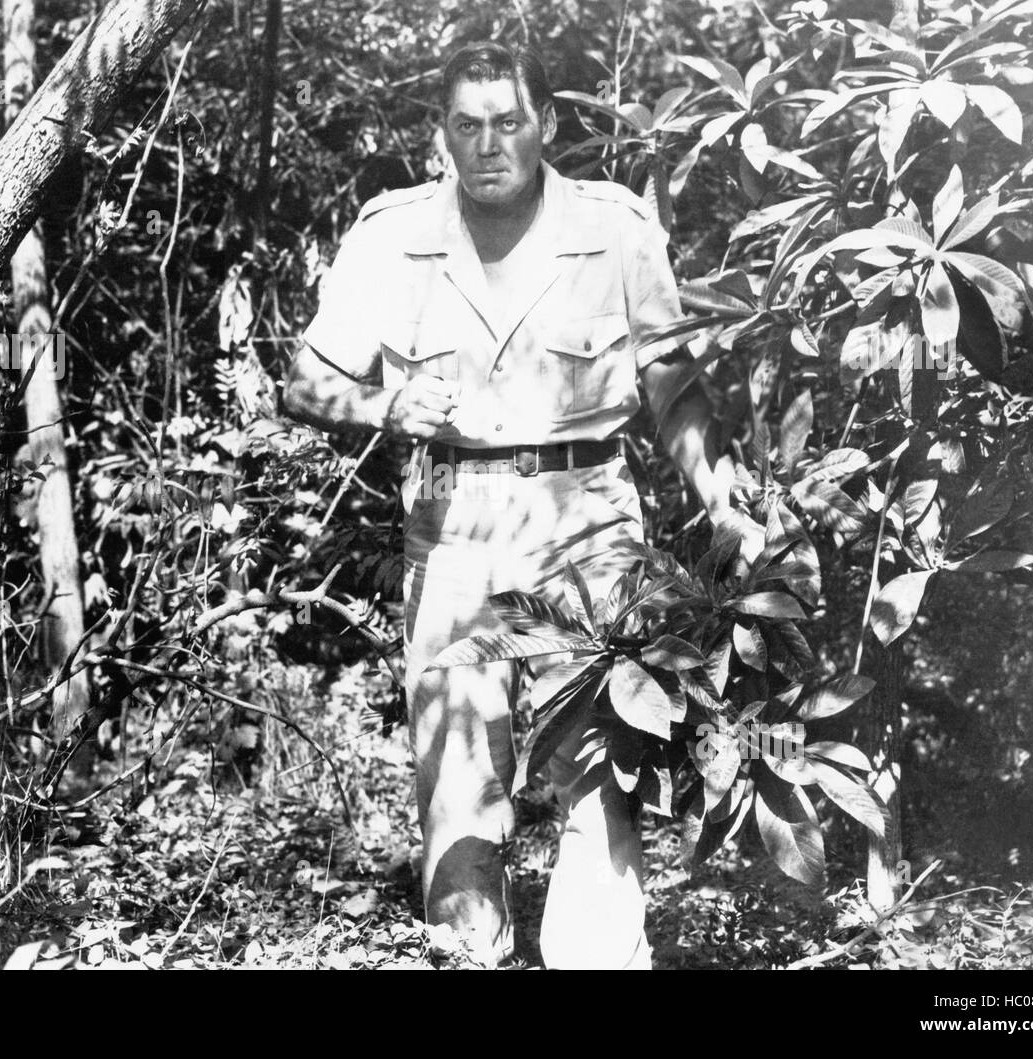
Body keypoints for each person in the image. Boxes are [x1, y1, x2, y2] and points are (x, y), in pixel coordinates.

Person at [283, 40, 764, 969]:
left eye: (509, 122)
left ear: (545, 123)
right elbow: (304, 382)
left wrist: (720, 503)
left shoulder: (616, 229)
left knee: (601, 770)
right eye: (468, 124)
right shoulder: (391, 234)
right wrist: (382, 404)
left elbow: (674, 389)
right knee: (457, 775)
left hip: (589, 516)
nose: (490, 143)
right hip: (451, 513)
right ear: (441, 135)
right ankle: (467, 949)